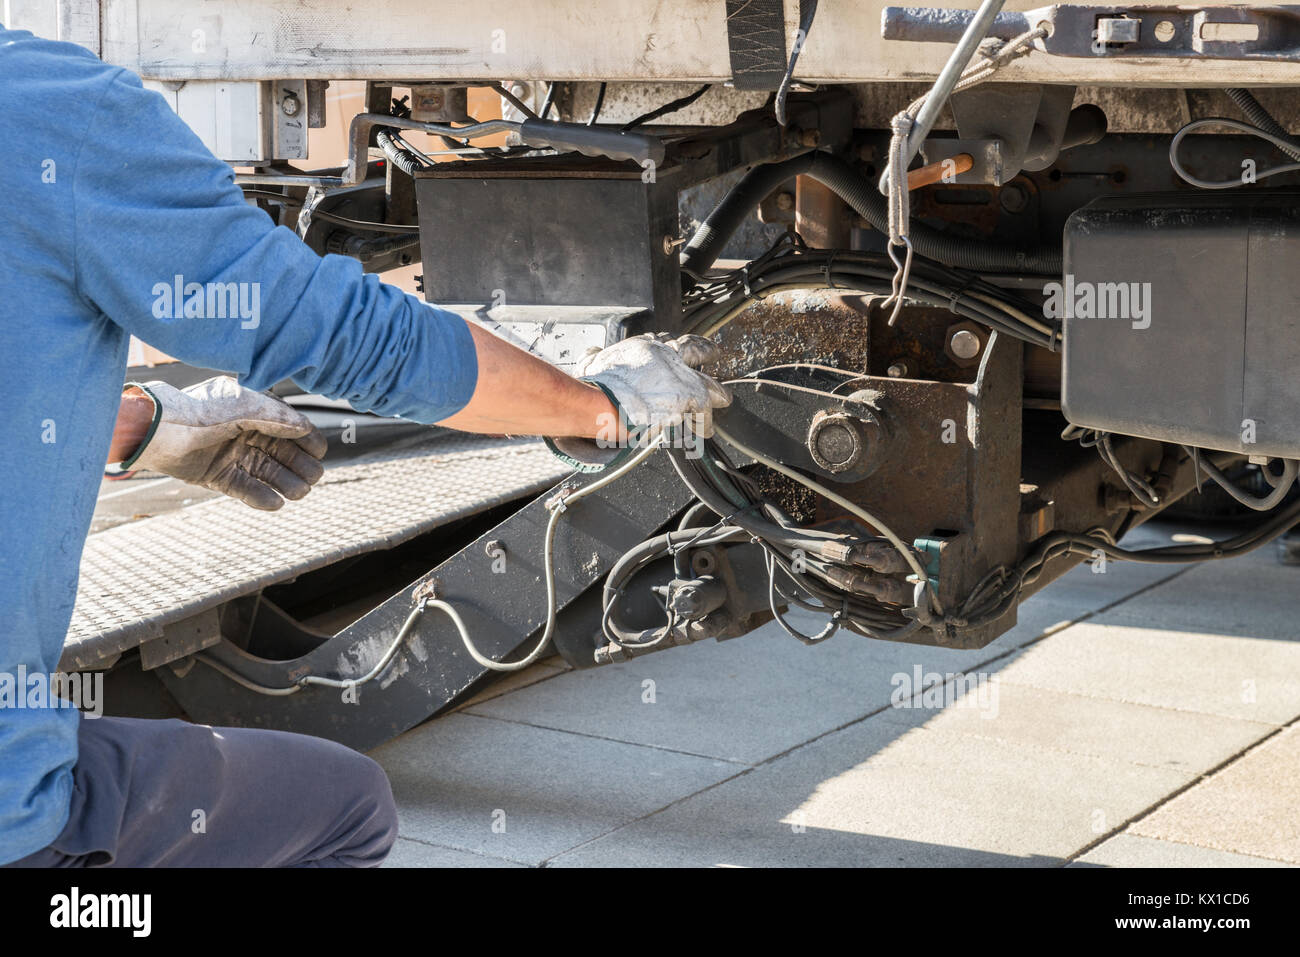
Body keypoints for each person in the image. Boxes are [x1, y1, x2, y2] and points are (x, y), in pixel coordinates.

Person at [0, 24, 729, 866]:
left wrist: (142, 428)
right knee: (345, 809)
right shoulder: (48, 111)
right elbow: (339, 333)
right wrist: (596, 405)